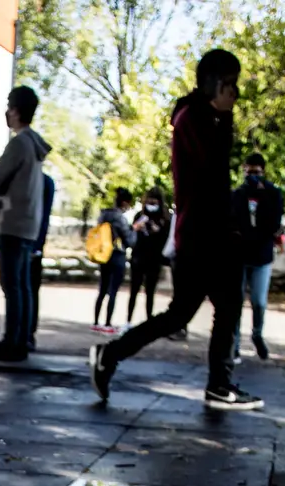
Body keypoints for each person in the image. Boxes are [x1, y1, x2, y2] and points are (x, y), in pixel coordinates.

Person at [90, 49, 261, 411]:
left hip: (207, 234)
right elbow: (209, 175)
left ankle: (113, 356)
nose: (235, 93)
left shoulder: (205, 117)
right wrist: (225, 119)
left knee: (199, 311)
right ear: (214, 83)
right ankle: (215, 383)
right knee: (202, 310)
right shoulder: (192, 119)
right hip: (202, 235)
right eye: (230, 84)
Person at [0, 85, 49, 363]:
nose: (6, 112)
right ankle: (22, 339)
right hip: (29, 224)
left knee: (13, 285)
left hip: (13, 223)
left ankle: (12, 342)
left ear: (16, 110)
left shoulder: (19, 143)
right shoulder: (35, 145)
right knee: (23, 285)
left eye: (9, 106)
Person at [233, 152, 285, 362]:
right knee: (236, 302)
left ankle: (257, 334)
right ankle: (234, 344)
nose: (252, 175)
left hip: (262, 256)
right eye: (249, 170)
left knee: (259, 302)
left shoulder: (273, 194)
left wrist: (263, 196)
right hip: (240, 255)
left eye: (256, 171)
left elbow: (274, 223)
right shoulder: (237, 194)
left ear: (263, 172)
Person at [92, 188, 136, 331]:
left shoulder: (103, 215)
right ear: (125, 203)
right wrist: (134, 229)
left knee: (102, 289)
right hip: (117, 255)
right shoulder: (120, 218)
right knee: (113, 291)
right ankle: (108, 323)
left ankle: (96, 322)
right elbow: (129, 240)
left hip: (103, 255)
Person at [128, 187, 169, 324]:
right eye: (149, 202)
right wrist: (137, 227)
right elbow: (131, 233)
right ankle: (128, 321)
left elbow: (166, 239)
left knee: (150, 293)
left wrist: (158, 231)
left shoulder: (164, 218)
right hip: (138, 258)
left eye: (154, 202)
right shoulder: (140, 215)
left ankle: (148, 321)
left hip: (154, 260)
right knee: (133, 291)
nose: (151, 205)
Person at [27, 170, 55, 350]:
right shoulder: (46, 181)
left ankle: (26, 333)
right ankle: (28, 333)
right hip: (33, 242)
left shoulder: (39, 181)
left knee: (25, 289)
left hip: (28, 240)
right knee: (30, 290)